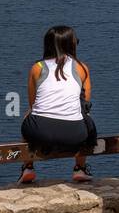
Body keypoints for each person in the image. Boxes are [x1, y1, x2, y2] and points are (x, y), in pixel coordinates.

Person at [19, 25, 97, 185]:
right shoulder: (82, 68)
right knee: (86, 117)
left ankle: (28, 167)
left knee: (29, 114)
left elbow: (33, 104)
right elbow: (85, 105)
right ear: (71, 45)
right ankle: (79, 168)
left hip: (39, 131)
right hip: (75, 133)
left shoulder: (37, 68)